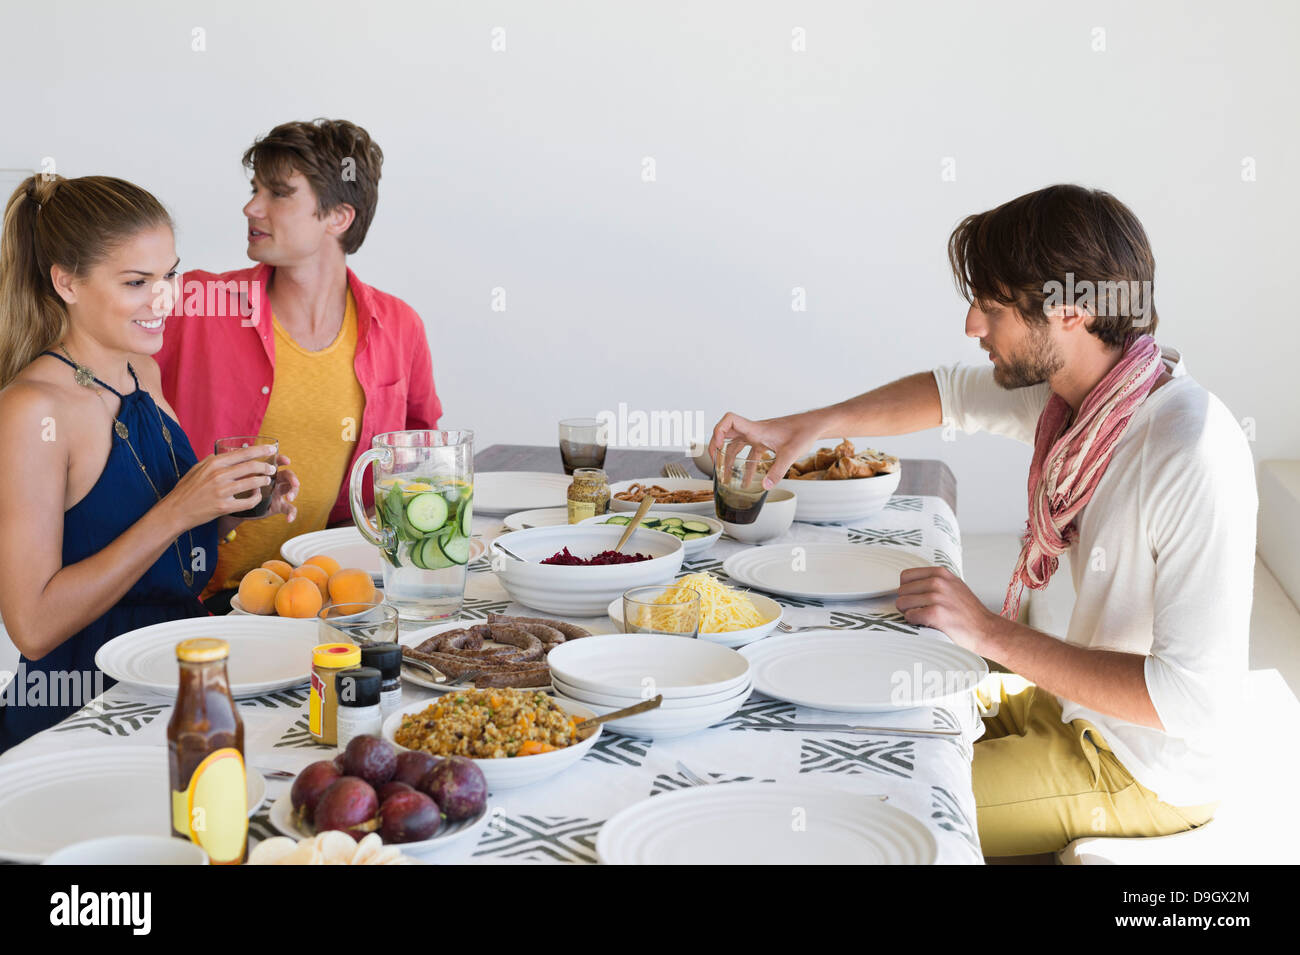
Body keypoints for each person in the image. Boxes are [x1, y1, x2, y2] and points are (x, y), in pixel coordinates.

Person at [709, 184, 1256, 857]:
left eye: (993, 306)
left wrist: (989, 630)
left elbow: (1188, 699)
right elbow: (948, 392)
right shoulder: (1084, 403)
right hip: (1069, 711)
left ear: (1071, 313)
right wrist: (802, 427)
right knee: (833, 727)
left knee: (859, 807)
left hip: (1139, 769)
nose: (973, 325)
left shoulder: (1189, 449)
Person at [0, 175, 296, 751]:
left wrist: (230, 509)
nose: (164, 299)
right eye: (137, 282)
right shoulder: (32, 410)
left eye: (170, 276)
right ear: (66, 282)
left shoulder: (143, 373)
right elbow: (32, 628)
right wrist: (180, 511)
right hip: (82, 715)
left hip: (174, 681)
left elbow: (142, 542)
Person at [154, 118, 443, 611]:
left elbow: (420, 459)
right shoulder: (199, 302)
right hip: (192, 600)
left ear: (339, 217)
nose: (252, 207)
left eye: (279, 193)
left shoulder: (398, 325)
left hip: (324, 599)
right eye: (254, 189)